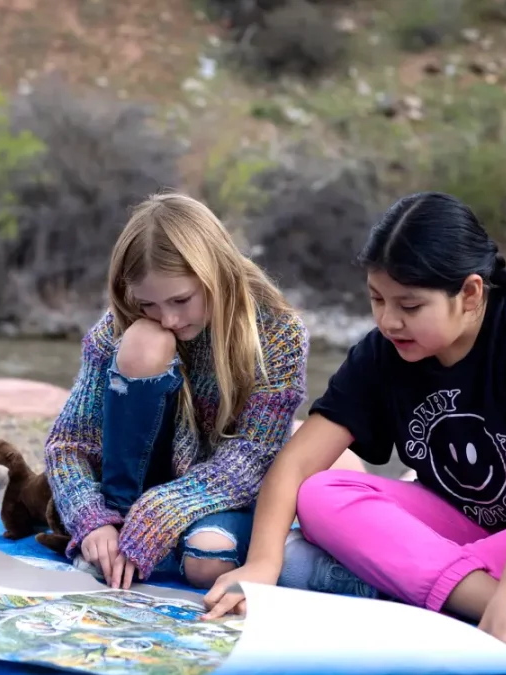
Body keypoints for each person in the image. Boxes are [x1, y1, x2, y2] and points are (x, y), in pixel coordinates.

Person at [202, 192, 506, 670]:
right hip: (469, 527)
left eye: (409, 305)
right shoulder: (384, 353)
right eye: (376, 299)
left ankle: (384, 577)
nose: (388, 320)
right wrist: (262, 563)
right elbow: (298, 464)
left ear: (470, 294)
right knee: (322, 494)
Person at [44, 192, 317, 591]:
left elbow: (256, 454)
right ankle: (121, 533)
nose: (168, 319)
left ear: (216, 275)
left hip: (222, 490)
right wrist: (92, 521)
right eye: (149, 304)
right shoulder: (119, 327)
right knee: (144, 342)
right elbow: (68, 443)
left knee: (207, 561)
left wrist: (167, 508)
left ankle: (217, 544)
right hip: (132, 490)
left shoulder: (277, 332)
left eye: (181, 299)